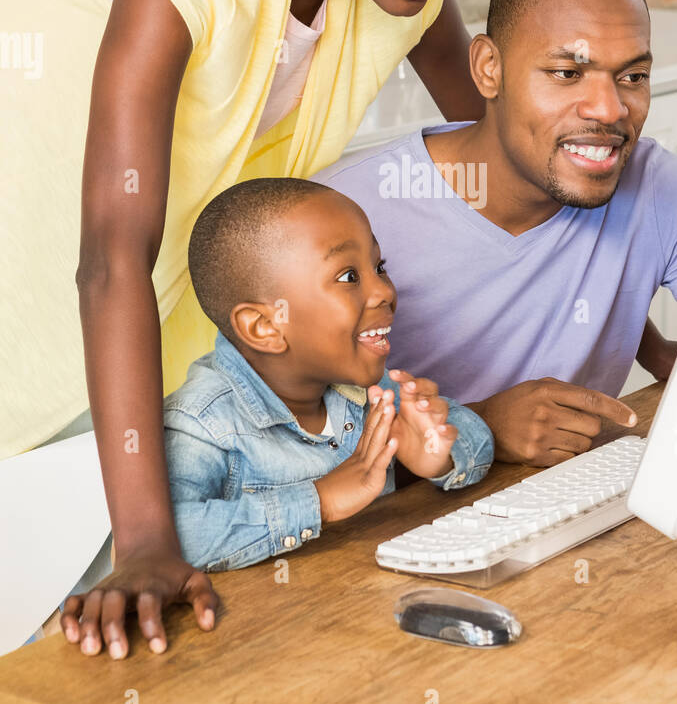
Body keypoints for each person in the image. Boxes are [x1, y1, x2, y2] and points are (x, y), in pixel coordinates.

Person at [2, 0, 497, 658]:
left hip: (145, 328)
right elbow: (112, 255)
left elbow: (493, 150)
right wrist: (150, 543)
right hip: (35, 264)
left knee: (131, 641)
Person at [315, 0, 677, 466]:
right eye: (567, 73)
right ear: (489, 68)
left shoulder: (658, 187)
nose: (609, 109)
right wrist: (481, 425)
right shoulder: (346, 210)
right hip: (385, 532)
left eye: (633, 77)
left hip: (569, 505)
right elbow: (279, 445)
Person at [157, 178, 492, 577]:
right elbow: (167, 540)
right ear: (265, 325)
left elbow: (475, 434)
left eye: (379, 267)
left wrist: (437, 457)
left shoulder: (368, 391)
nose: (384, 291)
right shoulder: (201, 422)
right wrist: (321, 501)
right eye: (350, 276)